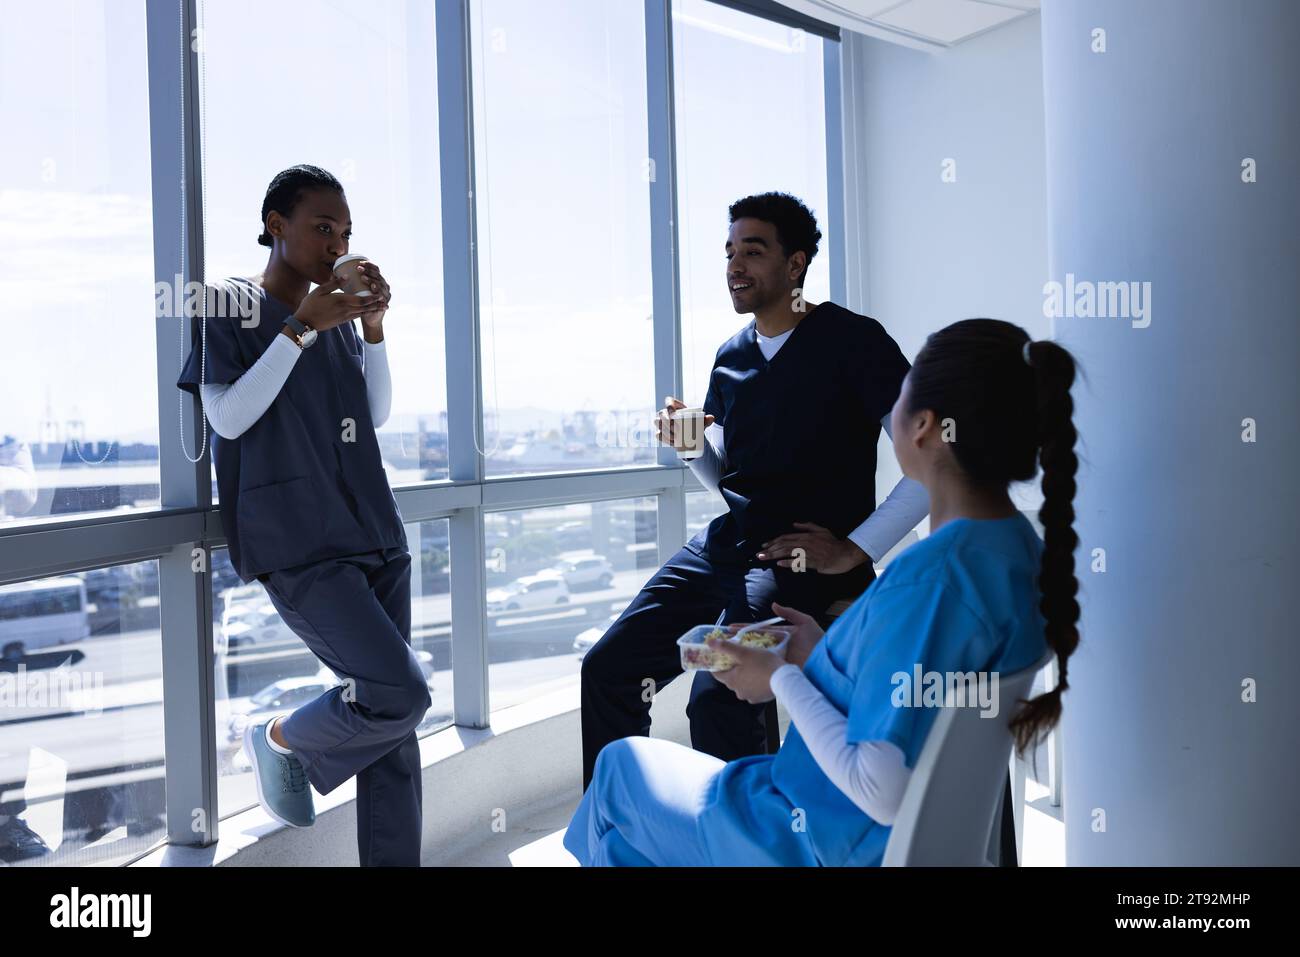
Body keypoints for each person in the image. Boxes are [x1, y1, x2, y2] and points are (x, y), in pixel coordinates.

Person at [565, 318, 1081, 865]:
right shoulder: (1016, 555)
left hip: (809, 833)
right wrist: (816, 656)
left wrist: (781, 678)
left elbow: (881, 787)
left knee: (620, 770)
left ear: (924, 426)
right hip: (856, 830)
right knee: (622, 838)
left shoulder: (929, 584)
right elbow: (914, 707)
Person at [579, 192, 929, 789]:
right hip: (726, 548)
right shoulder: (731, 357)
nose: (735, 266)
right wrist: (690, 447)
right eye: (730, 252)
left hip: (799, 563)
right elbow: (732, 483)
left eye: (754, 251)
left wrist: (857, 549)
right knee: (608, 667)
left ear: (795, 264)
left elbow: (931, 455)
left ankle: (743, 845)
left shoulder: (854, 341)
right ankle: (619, 834)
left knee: (716, 692)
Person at [176, 164, 430, 867]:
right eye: (323, 227)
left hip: (376, 533)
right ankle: (280, 737)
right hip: (299, 544)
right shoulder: (227, 304)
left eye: (345, 232)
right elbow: (227, 418)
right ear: (275, 225)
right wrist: (297, 330)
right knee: (399, 692)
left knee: (393, 730)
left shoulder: (339, 316)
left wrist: (372, 328)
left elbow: (373, 414)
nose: (336, 243)